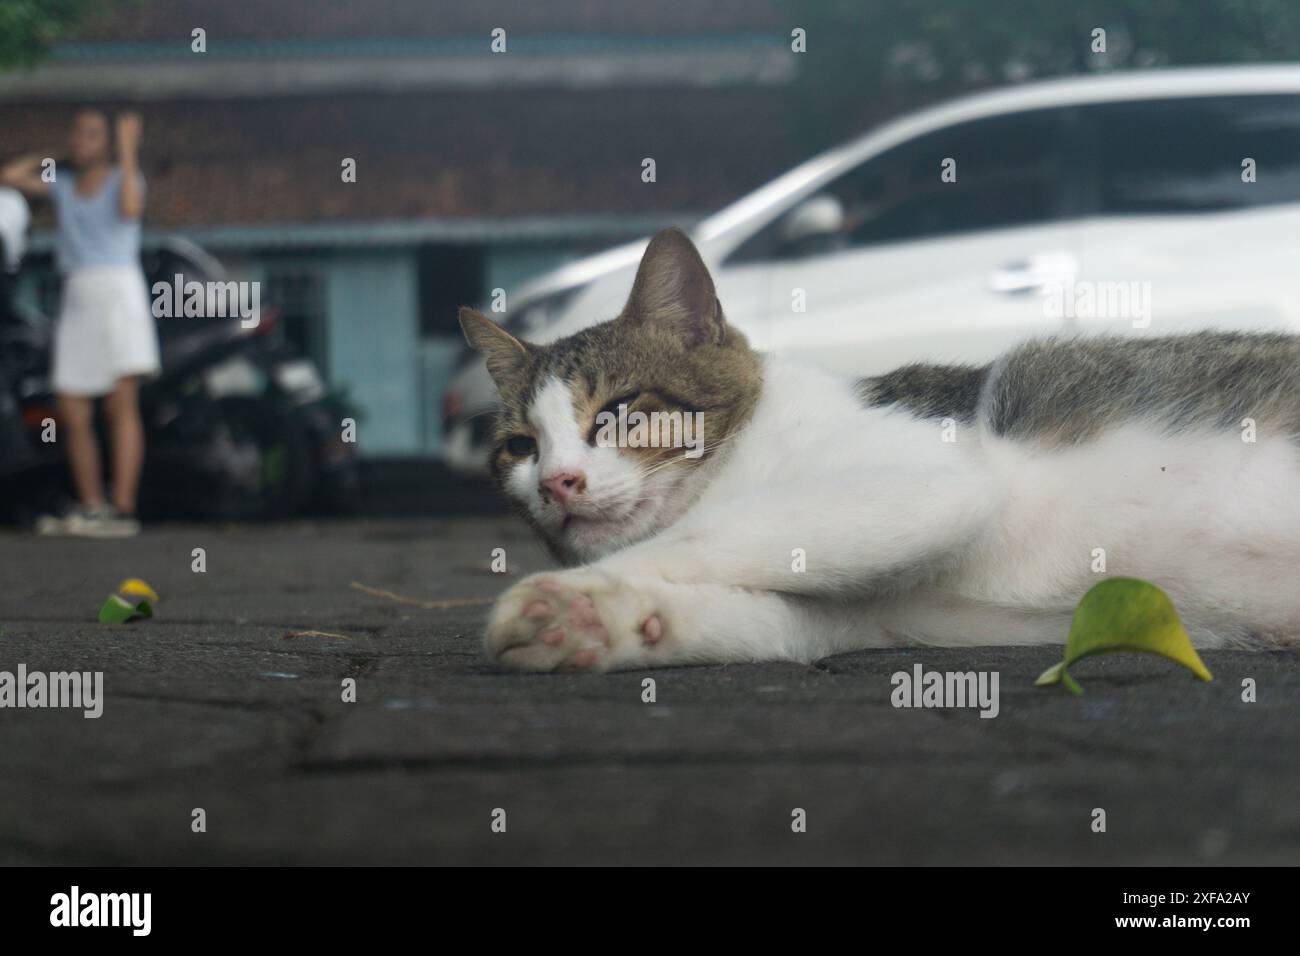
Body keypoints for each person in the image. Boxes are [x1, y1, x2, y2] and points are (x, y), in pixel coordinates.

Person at [0, 108, 158, 537]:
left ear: (107, 142)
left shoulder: (125, 178)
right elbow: (7, 178)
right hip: (77, 297)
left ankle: (123, 508)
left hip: (118, 292)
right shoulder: (64, 185)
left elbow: (130, 208)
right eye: (77, 133)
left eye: (91, 134)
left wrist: (128, 151)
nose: (80, 140)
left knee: (120, 403)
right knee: (71, 407)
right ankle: (92, 505)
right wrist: (48, 154)